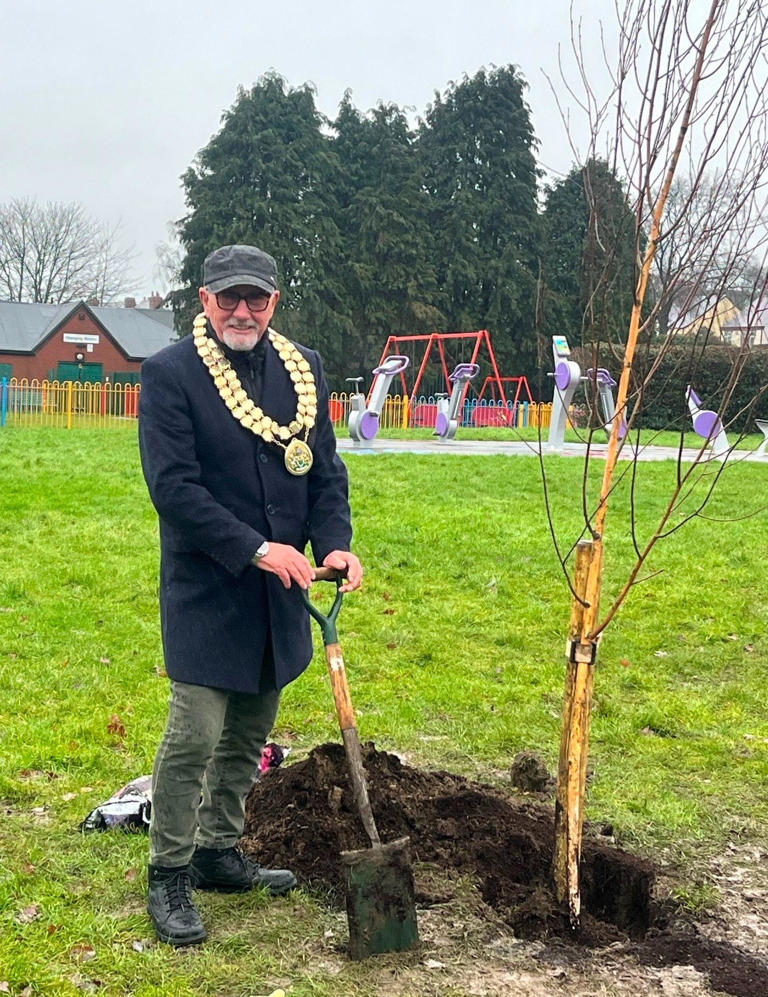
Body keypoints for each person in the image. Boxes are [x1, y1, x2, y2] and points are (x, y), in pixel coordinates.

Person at [138, 243, 362, 946]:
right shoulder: (170, 374)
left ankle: (216, 849)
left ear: (273, 301)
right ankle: (169, 868)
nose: (242, 310)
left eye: (255, 298)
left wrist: (334, 541)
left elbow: (324, 470)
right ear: (204, 300)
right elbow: (173, 489)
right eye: (228, 297)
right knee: (195, 732)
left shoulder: (305, 369)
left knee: (250, 728)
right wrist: (258, 548)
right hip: (211, 582)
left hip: (283, 590)